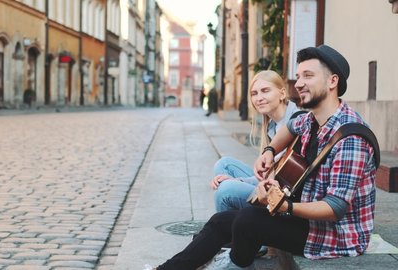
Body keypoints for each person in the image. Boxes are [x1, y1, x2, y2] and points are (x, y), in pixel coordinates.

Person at [150, 45, 377, 270]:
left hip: (335, 234)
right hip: (307, 218)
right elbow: (289, 127)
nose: (298, 84)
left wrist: (285, 205)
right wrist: (268, 151)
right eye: (298, 76)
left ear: (332, 82)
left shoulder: (351, 137)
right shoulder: (310, 120)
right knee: (221, 222)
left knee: (248, 220)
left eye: (308, 76)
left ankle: (233, 264)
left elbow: (334, 207)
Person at [211, 70, 299, 213]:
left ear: (282, 94)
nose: (259, 98)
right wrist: (238, 181)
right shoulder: (272, 125)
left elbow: (276, 178)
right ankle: (235, 223)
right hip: (272, 182)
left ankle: (226, 229)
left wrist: (237, 182)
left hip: (282, 195)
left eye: (265, 91)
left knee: (224, 190)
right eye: (254, 93)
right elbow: (267, 175)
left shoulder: (295, 122)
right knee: (224, 164)